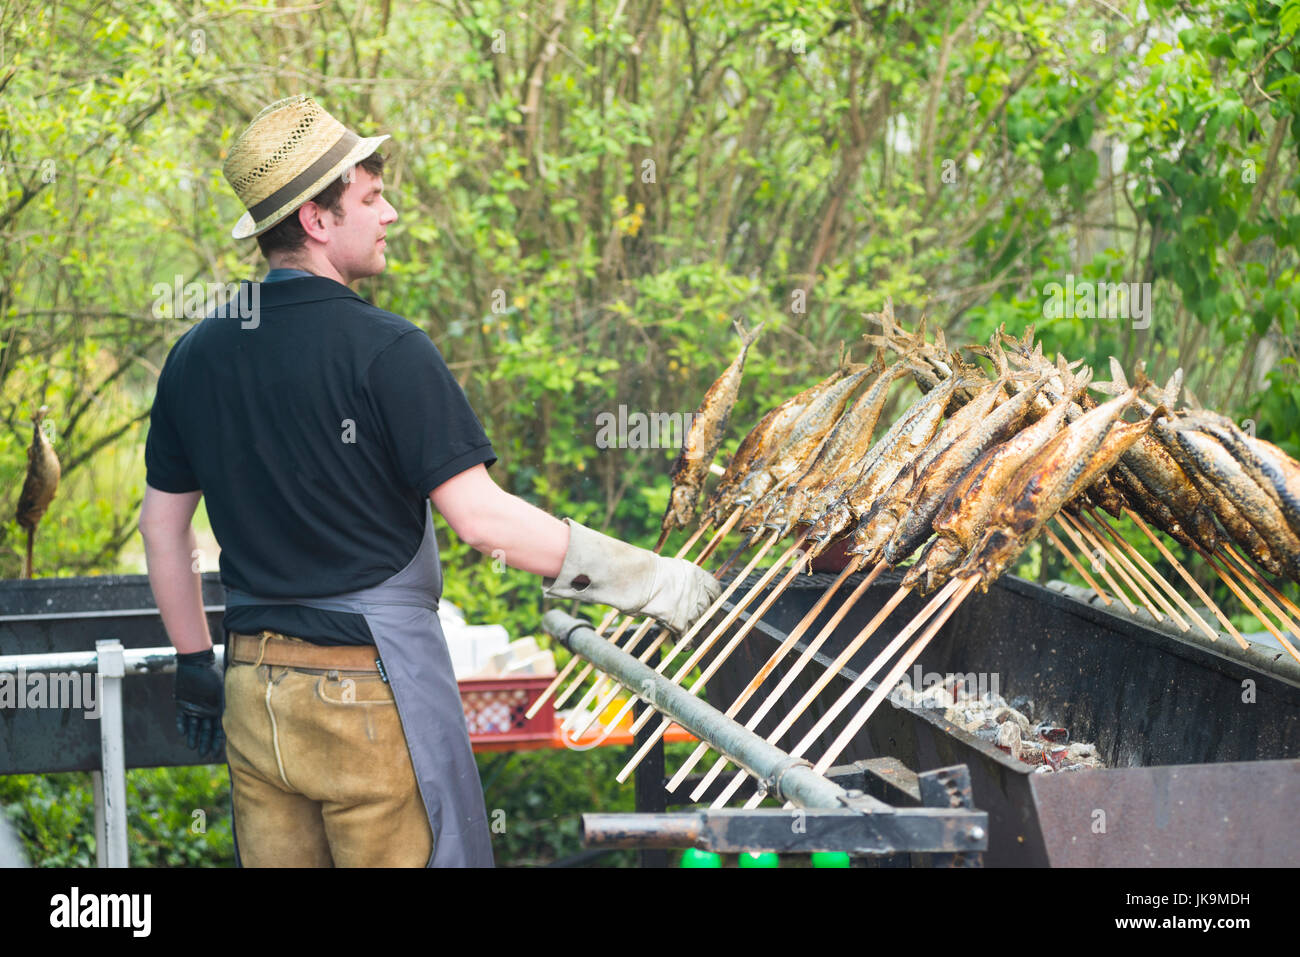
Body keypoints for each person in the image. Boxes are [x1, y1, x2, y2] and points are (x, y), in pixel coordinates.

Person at [138, 95, 721, 868]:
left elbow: (161, 527)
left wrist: (191, 660)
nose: (392, 215)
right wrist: (651, 581)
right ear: (316, 219)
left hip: (253, 692)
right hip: (368, 699)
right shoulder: (387, 349)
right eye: (372, 198)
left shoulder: (195, 355)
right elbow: (483, 521)